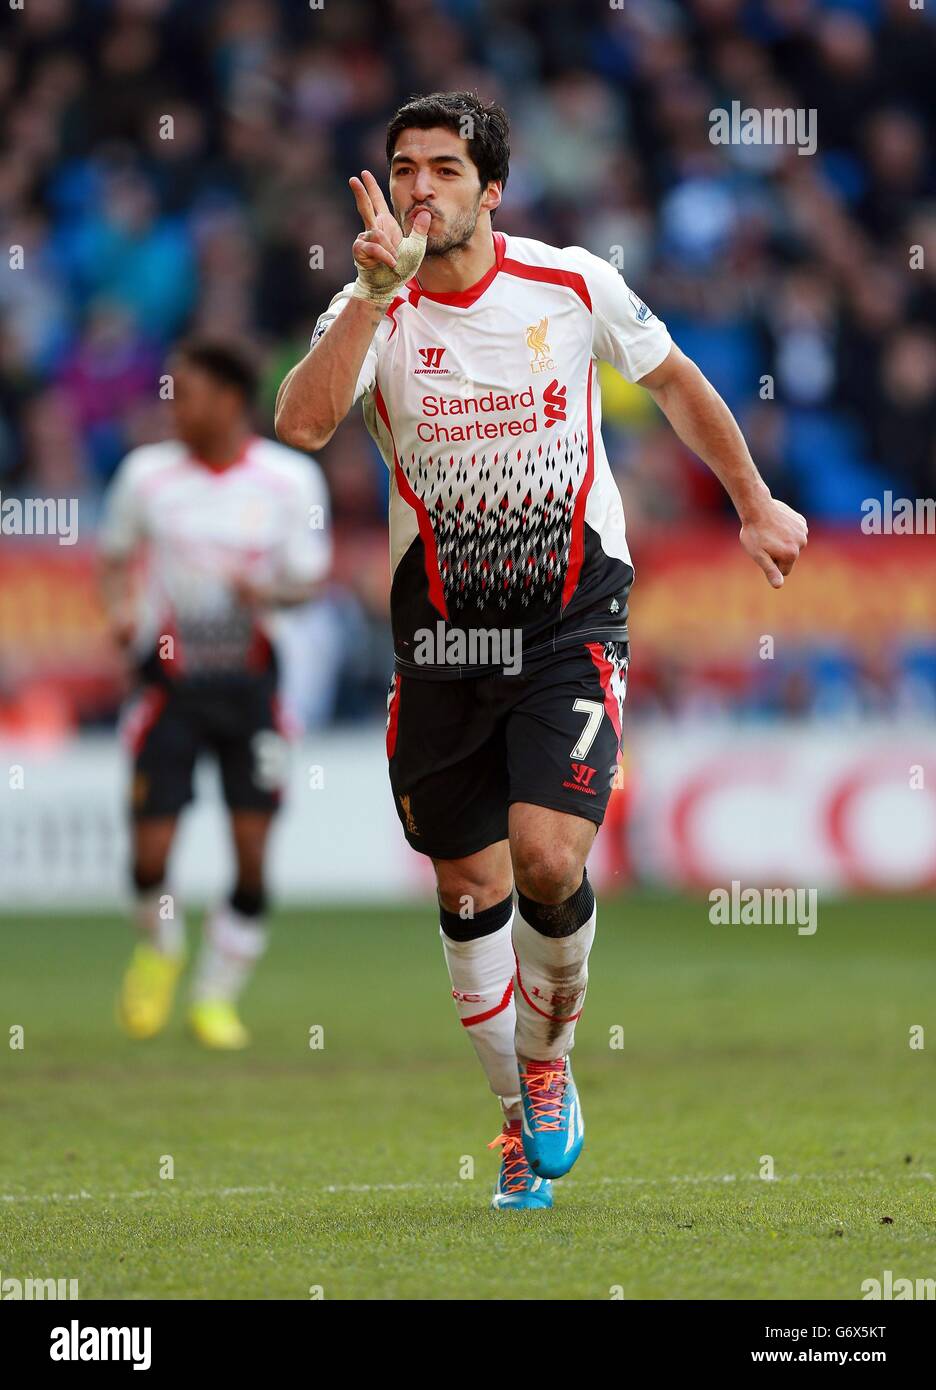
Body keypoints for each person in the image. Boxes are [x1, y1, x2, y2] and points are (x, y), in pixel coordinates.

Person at [275, 92, 807, 1207]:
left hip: (569, 620)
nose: (421, 188)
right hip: (439, 637)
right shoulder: (372, 305)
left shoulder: (569, 284)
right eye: (404, 167)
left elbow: (673, 381)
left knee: (548, 859)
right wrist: (370, 300)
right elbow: (303, 423)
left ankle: (549, 1060)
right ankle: (513, 1120)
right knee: (468, 890)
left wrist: (754, 501)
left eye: (445, 169)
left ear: (491, 189)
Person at [101, 340, 331, 1049]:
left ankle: (216, 996)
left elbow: (310, 577)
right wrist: (119, 610)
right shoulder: (145, 477)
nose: (172, 406)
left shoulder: (288, 481)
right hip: (169, 684)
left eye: (185, 393)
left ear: (231, 401)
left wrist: (266, 591)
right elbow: (114, 560)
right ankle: (161, 947)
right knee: (150, 853)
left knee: (253, 852)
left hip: (253, 688)